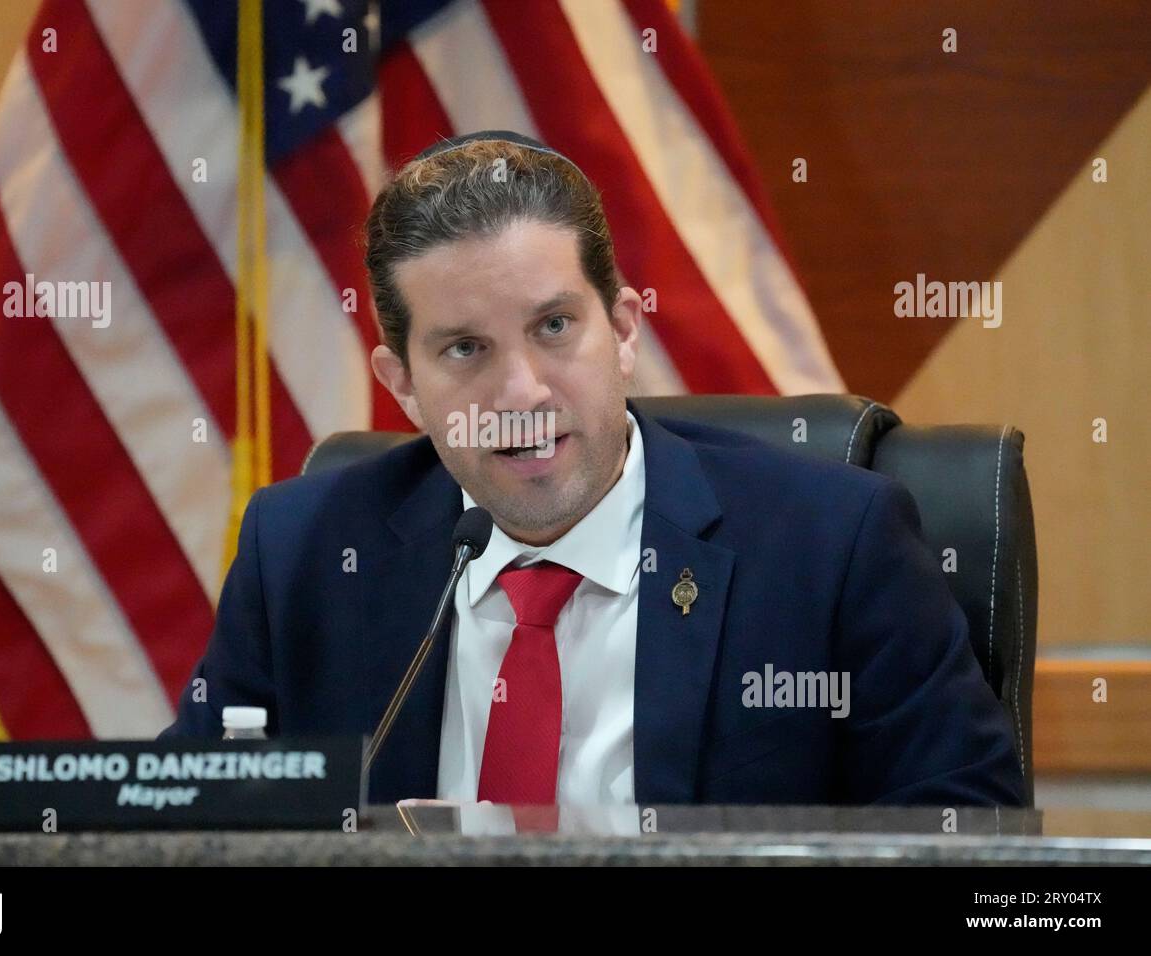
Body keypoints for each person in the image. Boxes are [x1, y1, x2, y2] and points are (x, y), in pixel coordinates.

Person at [160, 130, 1025, 808]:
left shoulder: (831, 549)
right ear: (404, 388)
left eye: (553, 328)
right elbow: (177, 817)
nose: (522, 391)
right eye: (465, 349)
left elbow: (969, 840)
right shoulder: (304, 553)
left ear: (623, 332)